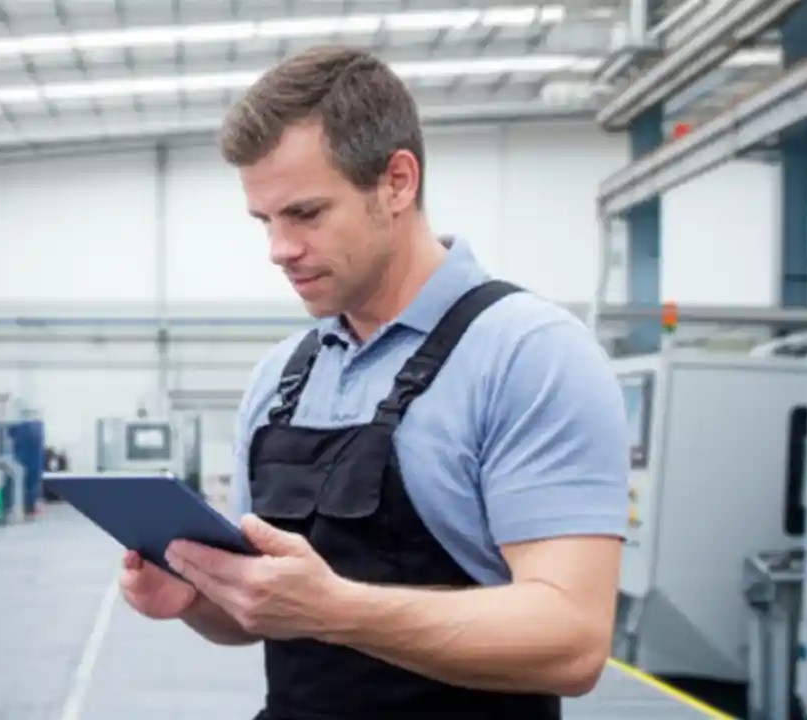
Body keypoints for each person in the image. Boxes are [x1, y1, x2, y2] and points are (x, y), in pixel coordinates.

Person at [119, 45, 629, 719]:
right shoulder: (281, 377)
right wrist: (198, 600)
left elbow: (571, 641)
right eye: (264, 221)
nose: (278, 248)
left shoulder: (529, 354)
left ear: (396, 181)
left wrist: (337, 609)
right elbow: (257, 612)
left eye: (305, 213)